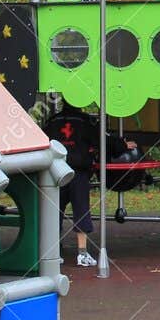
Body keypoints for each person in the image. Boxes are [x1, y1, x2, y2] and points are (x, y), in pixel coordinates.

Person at [46, 106, 138, 267]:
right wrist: (122, 145)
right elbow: (103, 140)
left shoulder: (52, 121)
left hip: (57, 172)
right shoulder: (85, 121)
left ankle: (54, 254)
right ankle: (82, 254)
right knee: (81, 211)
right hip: (78, 172)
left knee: (54, 212)